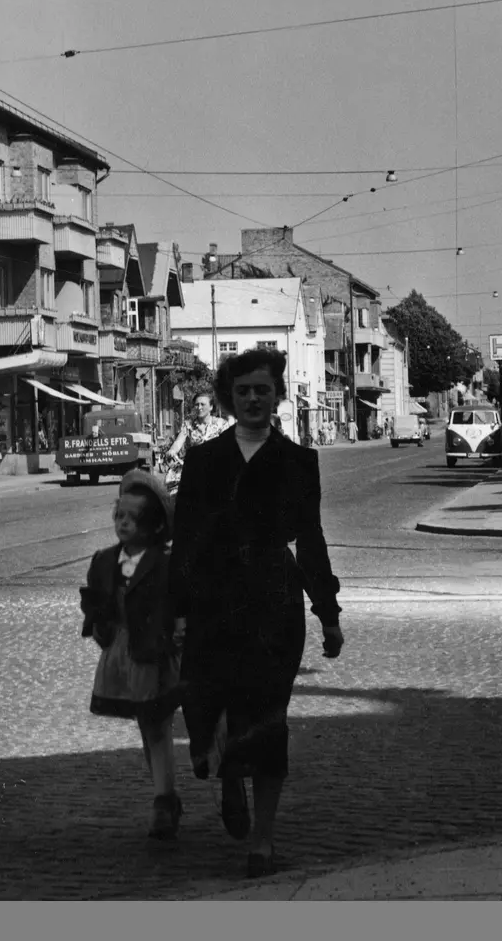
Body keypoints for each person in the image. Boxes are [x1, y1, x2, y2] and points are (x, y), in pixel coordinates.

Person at [170, 347, 344, 878]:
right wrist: (176, 614)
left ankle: (263, 841)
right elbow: (187, 542)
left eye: (262, 389)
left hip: (274, 602)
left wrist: (327, 612)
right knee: (210, 710)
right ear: (229, 396)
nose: (252, 398)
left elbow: (310, 540)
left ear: (277, 395)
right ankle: (227, 776)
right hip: (214, 601)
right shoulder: (204, 461)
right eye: (242, 390)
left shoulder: (298, 462)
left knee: (269, 721)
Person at [81, 470, 184, 841]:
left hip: (155, 654)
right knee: (149, 726)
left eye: (133, 518)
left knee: (156, 725)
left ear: (154, 526)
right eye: (119, 517)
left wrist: (179, 629)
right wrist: (98, 626)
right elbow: (98, 602)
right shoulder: (105, 560)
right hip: (124, 654)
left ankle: (164, 799)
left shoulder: (164, 563)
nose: (123, 524)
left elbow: (178, 601)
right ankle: (164, 795)